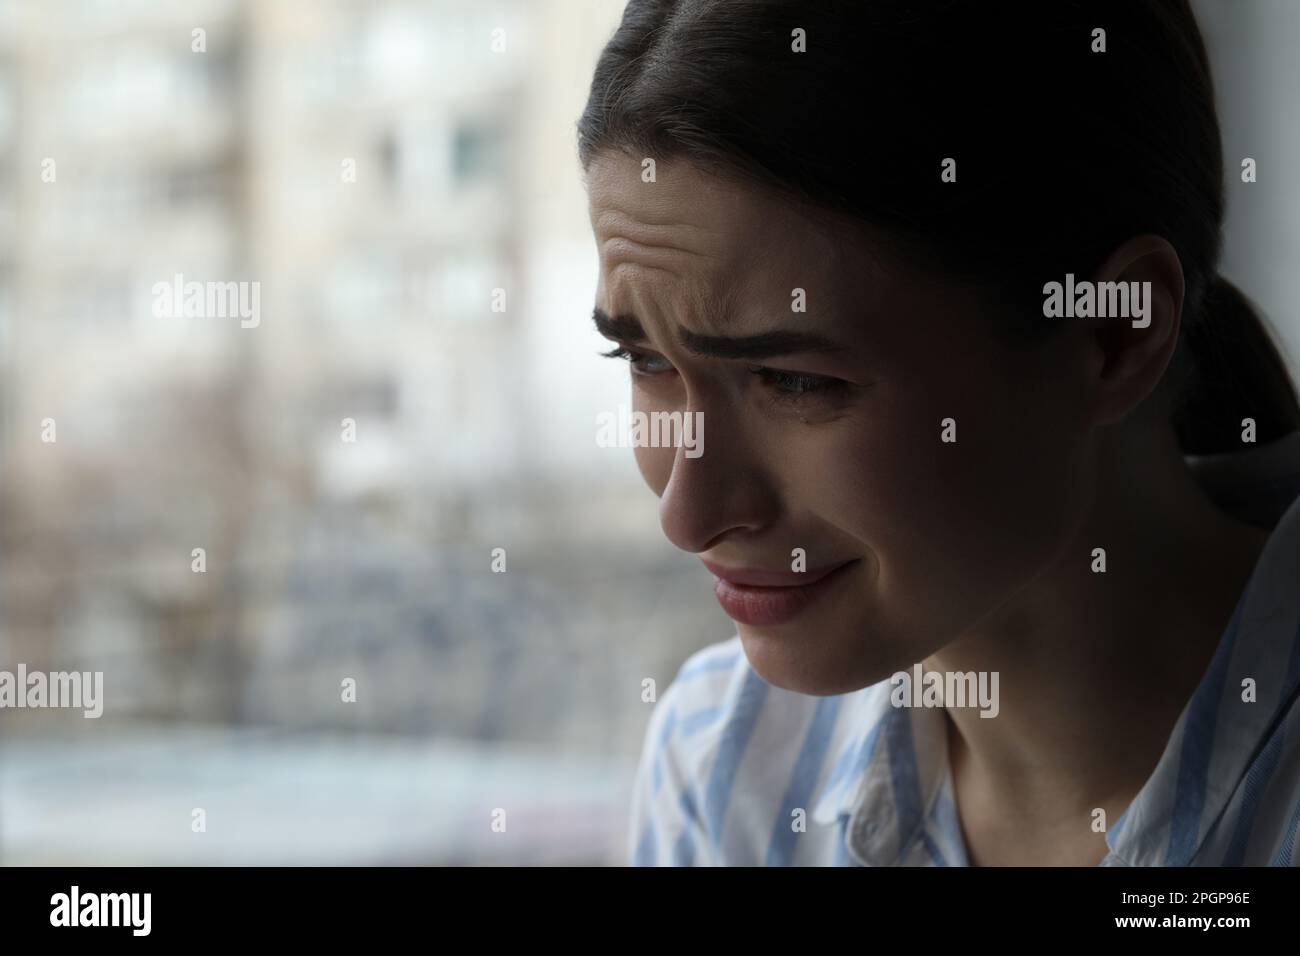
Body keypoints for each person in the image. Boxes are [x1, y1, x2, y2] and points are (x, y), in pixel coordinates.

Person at [577, 0, 1300, 865]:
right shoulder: (723, 768)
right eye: (646, 360)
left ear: (1114, 330)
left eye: (797, 380)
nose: (686, 515)